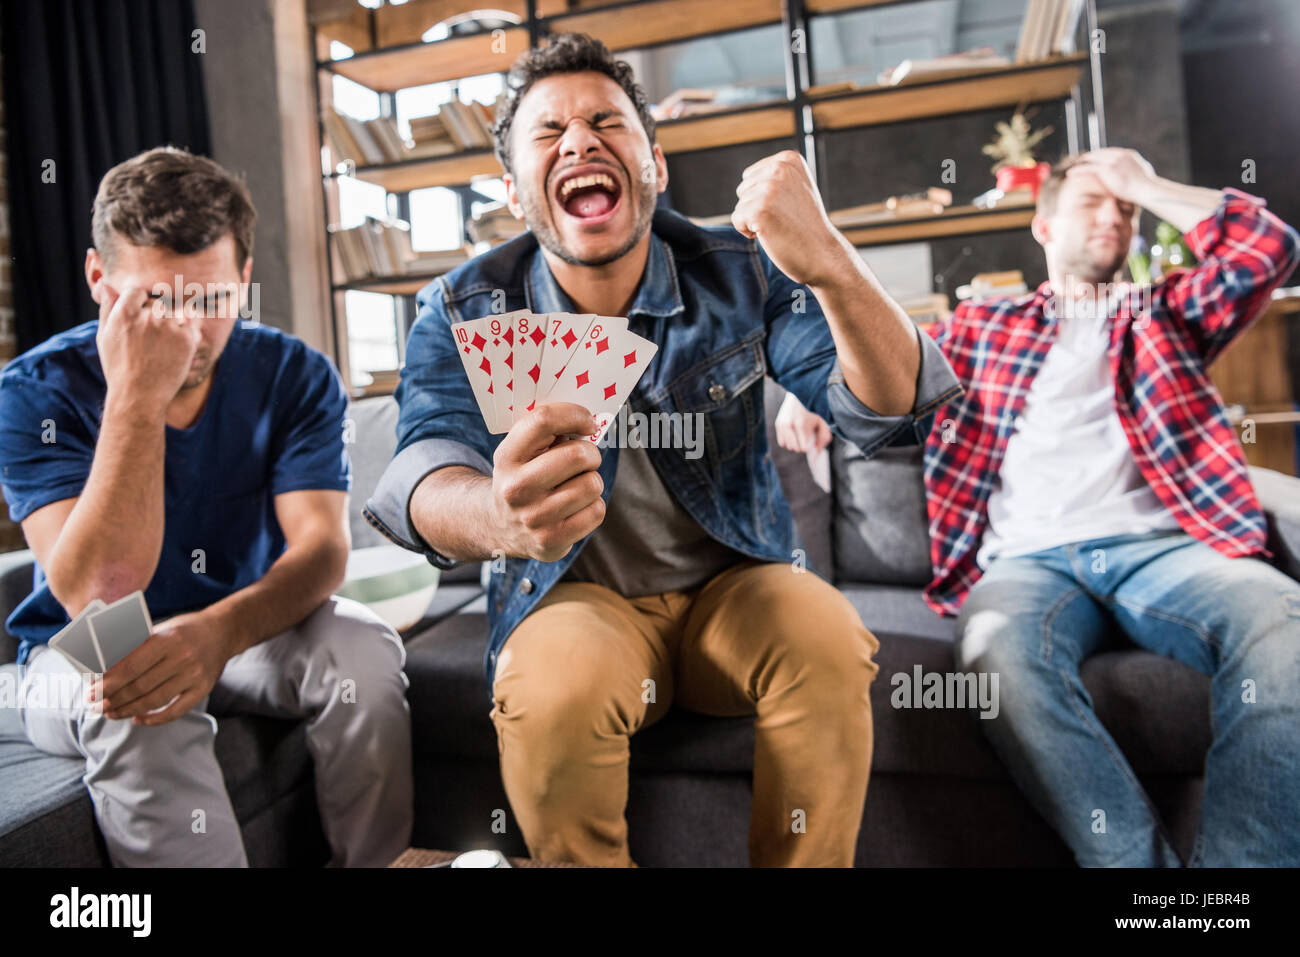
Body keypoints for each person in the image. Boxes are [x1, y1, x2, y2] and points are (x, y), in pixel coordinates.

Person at [364, 33, 961, 867]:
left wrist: (832, 264)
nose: (580, 141)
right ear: (511, 191)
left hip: (735, 587)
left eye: (607, 120)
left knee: (826, 637)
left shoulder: (739, 269)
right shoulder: (467, 306)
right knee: (552, 689)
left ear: (654, 165)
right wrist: (498, 516)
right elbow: (420, 467)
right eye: (550, 133)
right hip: (575, 599)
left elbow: (893, 414)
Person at [774, 148, 1300, 866]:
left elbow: (1268, 248)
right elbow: (888, 377)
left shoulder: (1166, 311)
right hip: (1028, 563)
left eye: (1124, 209)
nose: (1113, 215)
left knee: (1286, 626)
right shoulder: (982, 325)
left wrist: (1138, 179)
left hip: (1167, 550)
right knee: (997, 661)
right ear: (1043, 225)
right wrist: (819, 400)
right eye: (1092, 202)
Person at [0, 146, 413, 867]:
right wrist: (136, 395)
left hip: (240, 626)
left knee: (363, 647)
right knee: (133, 691)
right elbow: (97, 594)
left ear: (245, 281)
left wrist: (218, 633)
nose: (186, 330)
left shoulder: (293, 374)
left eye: (212, 300)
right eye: (155, 301)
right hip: (79, 644)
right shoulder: (36, 390)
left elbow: (320, 549)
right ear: (100, 279)